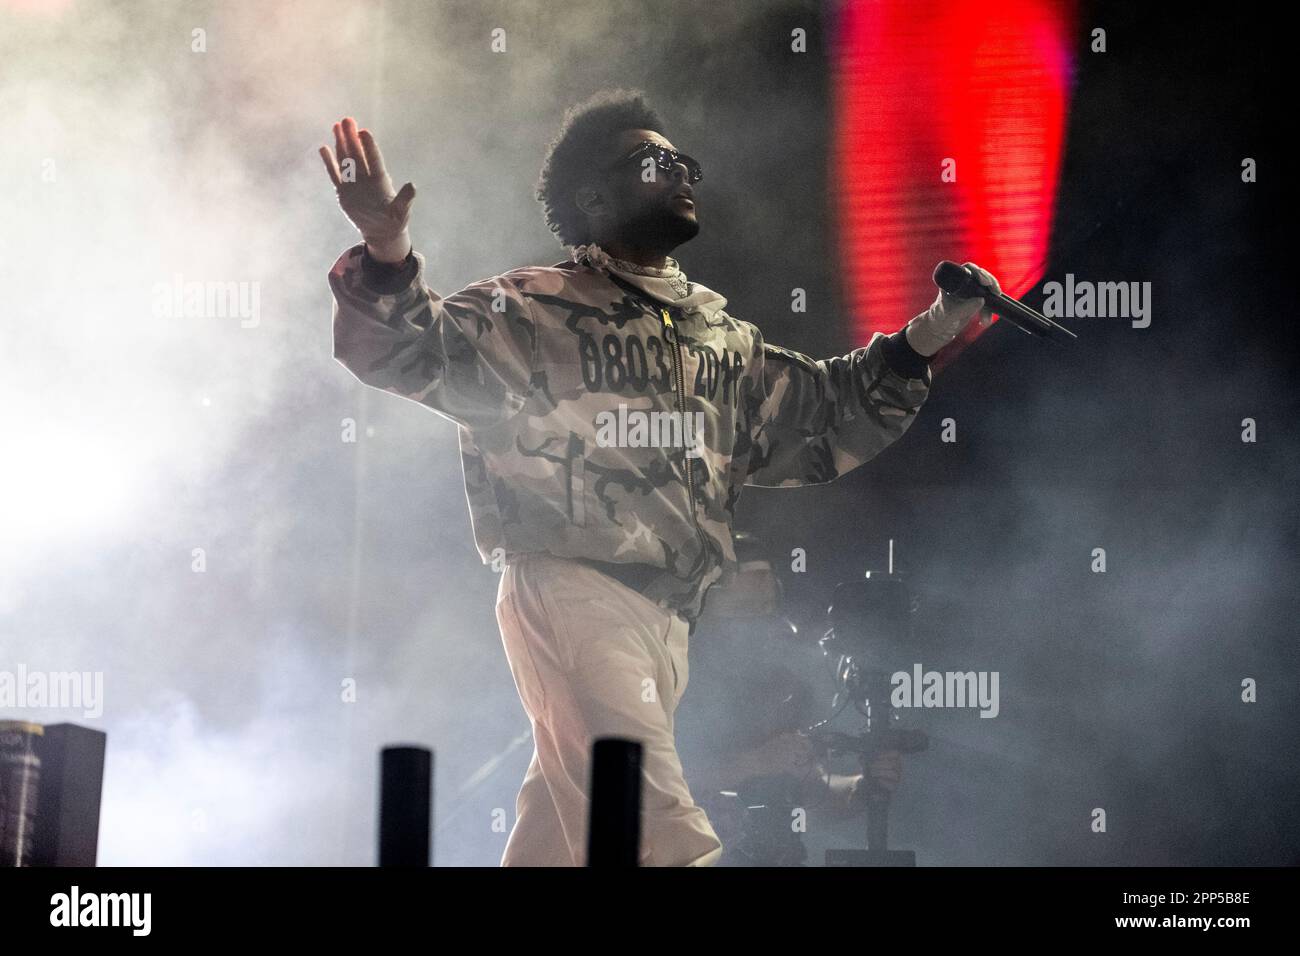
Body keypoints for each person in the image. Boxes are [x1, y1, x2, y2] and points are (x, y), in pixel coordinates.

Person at [321, 89, 998, 866]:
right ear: (593, 198)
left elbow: (825, 411)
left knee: (564, 840)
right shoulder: (533, 309)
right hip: (575, 590)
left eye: (683, 162)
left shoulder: (718, 336)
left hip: (671, 622)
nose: (678, 173)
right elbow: (404, 350)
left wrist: (936, 327)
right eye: (653, 162)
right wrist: (386, 246)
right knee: (657, 825)